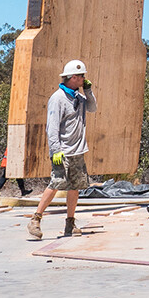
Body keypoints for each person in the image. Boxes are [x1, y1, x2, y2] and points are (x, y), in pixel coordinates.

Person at [27, 59, 97, 240]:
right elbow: (52, 127)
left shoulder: (79, 98)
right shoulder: (57, 98)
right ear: (73, 77)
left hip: (77, 151)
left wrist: (88, 91)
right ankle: (35, 219)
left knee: (75, 187)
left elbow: (92, 107)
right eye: (82, 77)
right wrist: (55, 149)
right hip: (63, 152)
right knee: (56, 184)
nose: (84, 79)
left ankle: (70, 223)